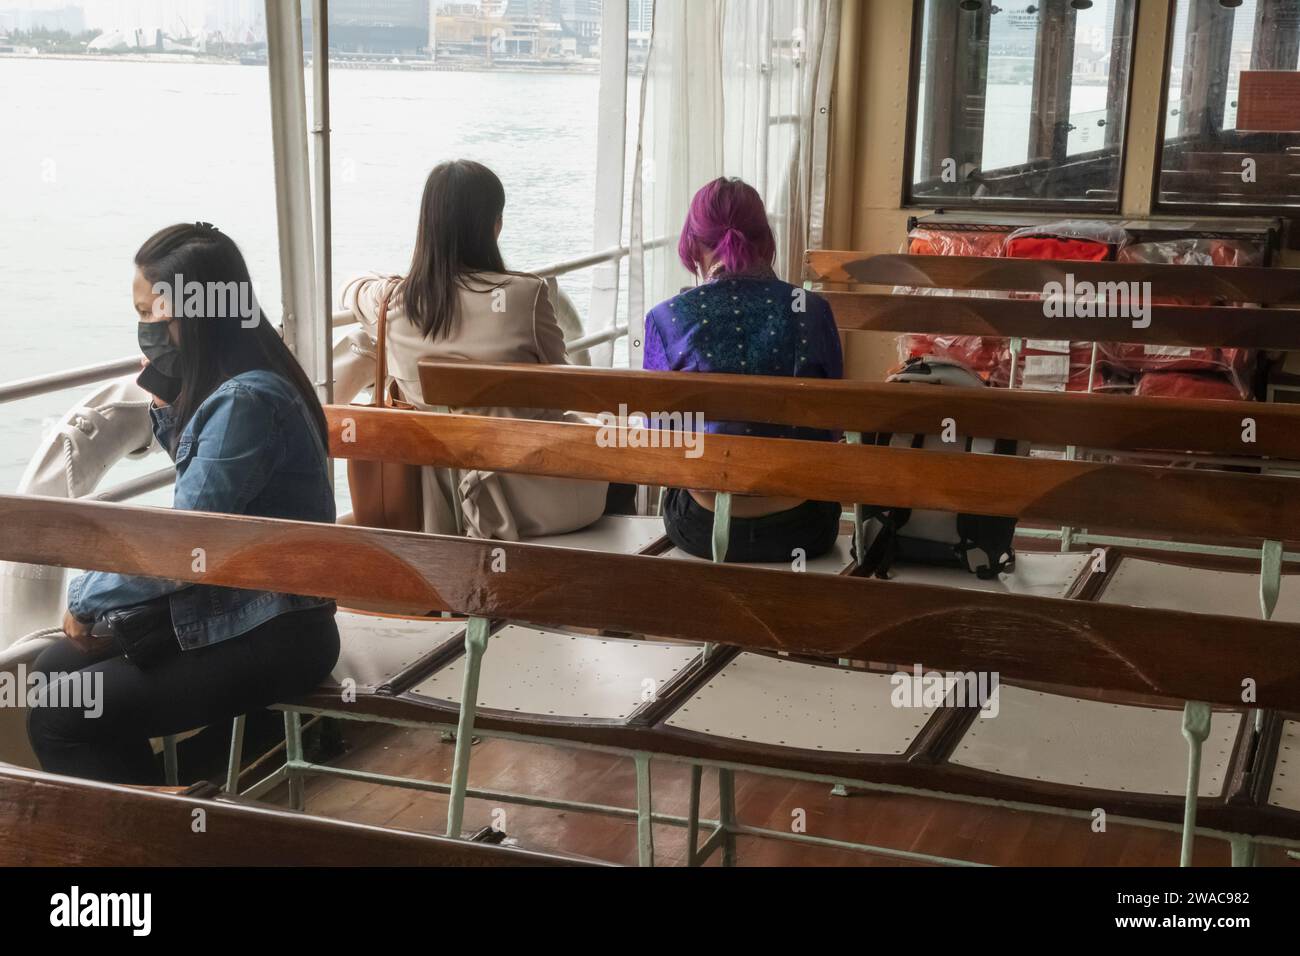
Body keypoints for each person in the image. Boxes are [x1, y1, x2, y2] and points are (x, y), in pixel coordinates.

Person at [26, 223, 340, 784]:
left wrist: (86, 597)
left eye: (151, 313)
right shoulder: (243, 383)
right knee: (53, 670)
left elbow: (183, 543)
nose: (143, 328)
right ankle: (165, 814)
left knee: (62, 711)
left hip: (275, 632)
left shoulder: (245, 401)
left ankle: (152, 837)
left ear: (194, 315)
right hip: (241, 612)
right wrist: (170, 401)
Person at [342, 159, 608, 539]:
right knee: (609, 437)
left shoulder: (393, 303)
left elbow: (352, 287)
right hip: (537, 500)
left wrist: (384, 283)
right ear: (494, 225)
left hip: (437, 507)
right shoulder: (525, 296)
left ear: (426, 227)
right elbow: (561, 386)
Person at [643, 177, 845, 563]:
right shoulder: (812, 310)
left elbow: (660, 440)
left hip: (702, 526)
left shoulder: (667, 318)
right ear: (765, 240)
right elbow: (831, 427)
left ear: (692, 241)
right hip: (804, 524)